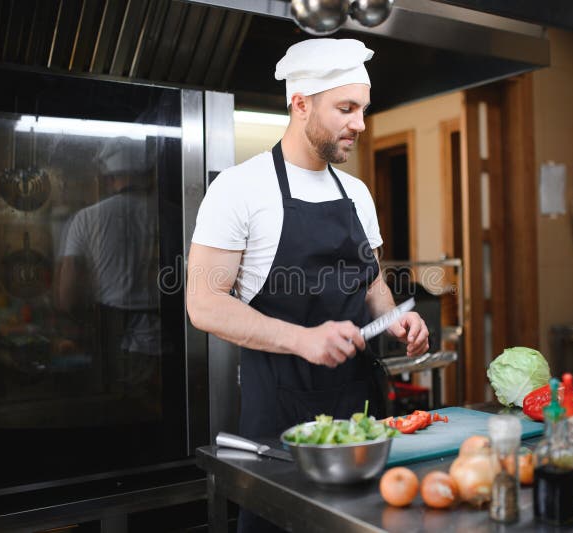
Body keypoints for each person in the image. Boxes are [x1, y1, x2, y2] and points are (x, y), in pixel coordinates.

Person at [186, 38, 430, 532]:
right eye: (346, 109)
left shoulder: (357, 193)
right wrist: (302, 339)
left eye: (363, 110)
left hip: (361, 411)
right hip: (280, 418)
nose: (360, 124)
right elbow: (204, 304)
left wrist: (394, 318)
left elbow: (371, 283)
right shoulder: (238, 188)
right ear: (300, 104)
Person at [57, 137, 162, 415]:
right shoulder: (172, 215)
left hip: (111, 337)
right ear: (146, 174)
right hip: (166, 341)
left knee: (117, 412)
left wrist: (83, 326)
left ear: (108, 177)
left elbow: (67, 297)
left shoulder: (85, 218)